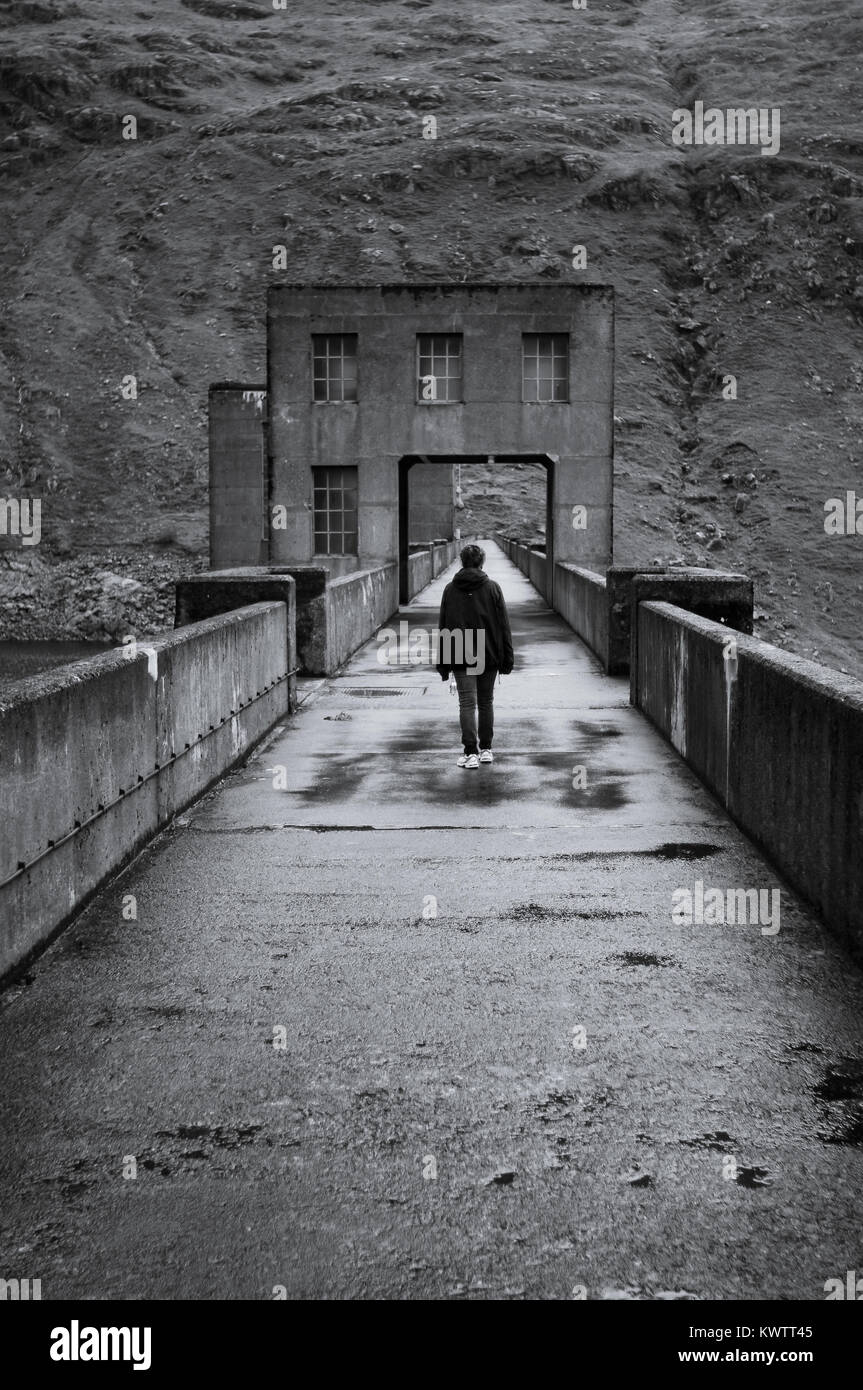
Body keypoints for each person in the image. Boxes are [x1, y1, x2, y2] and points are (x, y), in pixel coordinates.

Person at [435, 543, 514, 769]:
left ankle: (470, 753)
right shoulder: (493, 588)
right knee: (486, 701)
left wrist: (443, 663)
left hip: (460, 652)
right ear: (481, 562)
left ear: (462, 562)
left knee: (467, 703)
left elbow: (444, 627)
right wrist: (507, 659)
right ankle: (486, 750)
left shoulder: (450, 590)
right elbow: (503, 626)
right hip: (488, 652)